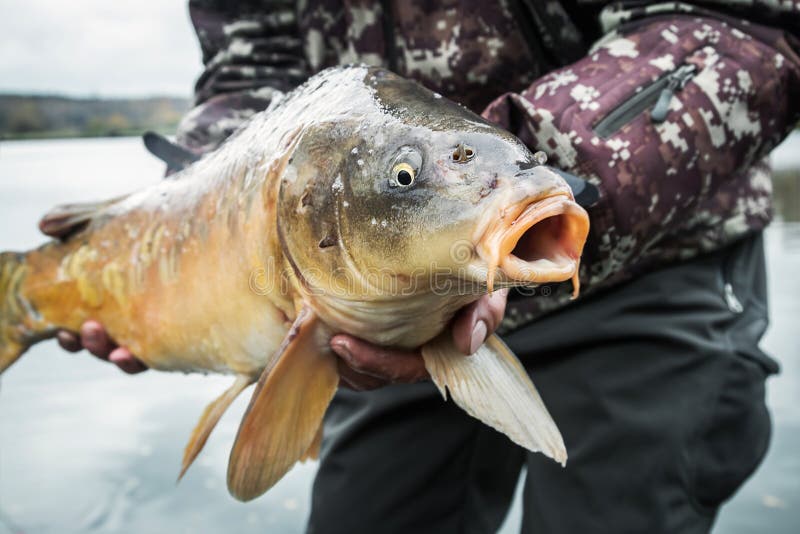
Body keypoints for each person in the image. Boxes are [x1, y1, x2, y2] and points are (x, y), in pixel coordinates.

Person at [47, 1, 800, 532]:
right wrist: (202, 227)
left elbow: (738, 21)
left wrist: (532, 165)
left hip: (650, 256)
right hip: (372, 285)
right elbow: (248, 82)